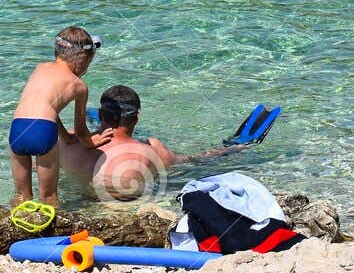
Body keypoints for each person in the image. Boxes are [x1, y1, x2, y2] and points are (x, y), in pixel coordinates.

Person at [61, 85, 233, 200]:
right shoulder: (151, 154)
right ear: (136, 118)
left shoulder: (65, 144)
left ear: (100, 115)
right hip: (123, 204)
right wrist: (232, 148)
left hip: (81, 199)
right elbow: (195, 160)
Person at [9, 26, 108, 214]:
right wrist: (90, 141)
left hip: (17, 129)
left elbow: (48, 109)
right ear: (83, 61)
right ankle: (50, 238)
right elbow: (80, 130)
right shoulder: (79, 85)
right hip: (43, 132)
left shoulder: (40, 68)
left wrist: (64, 135)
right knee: (48, 197)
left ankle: (17, 229)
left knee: (21, 196)